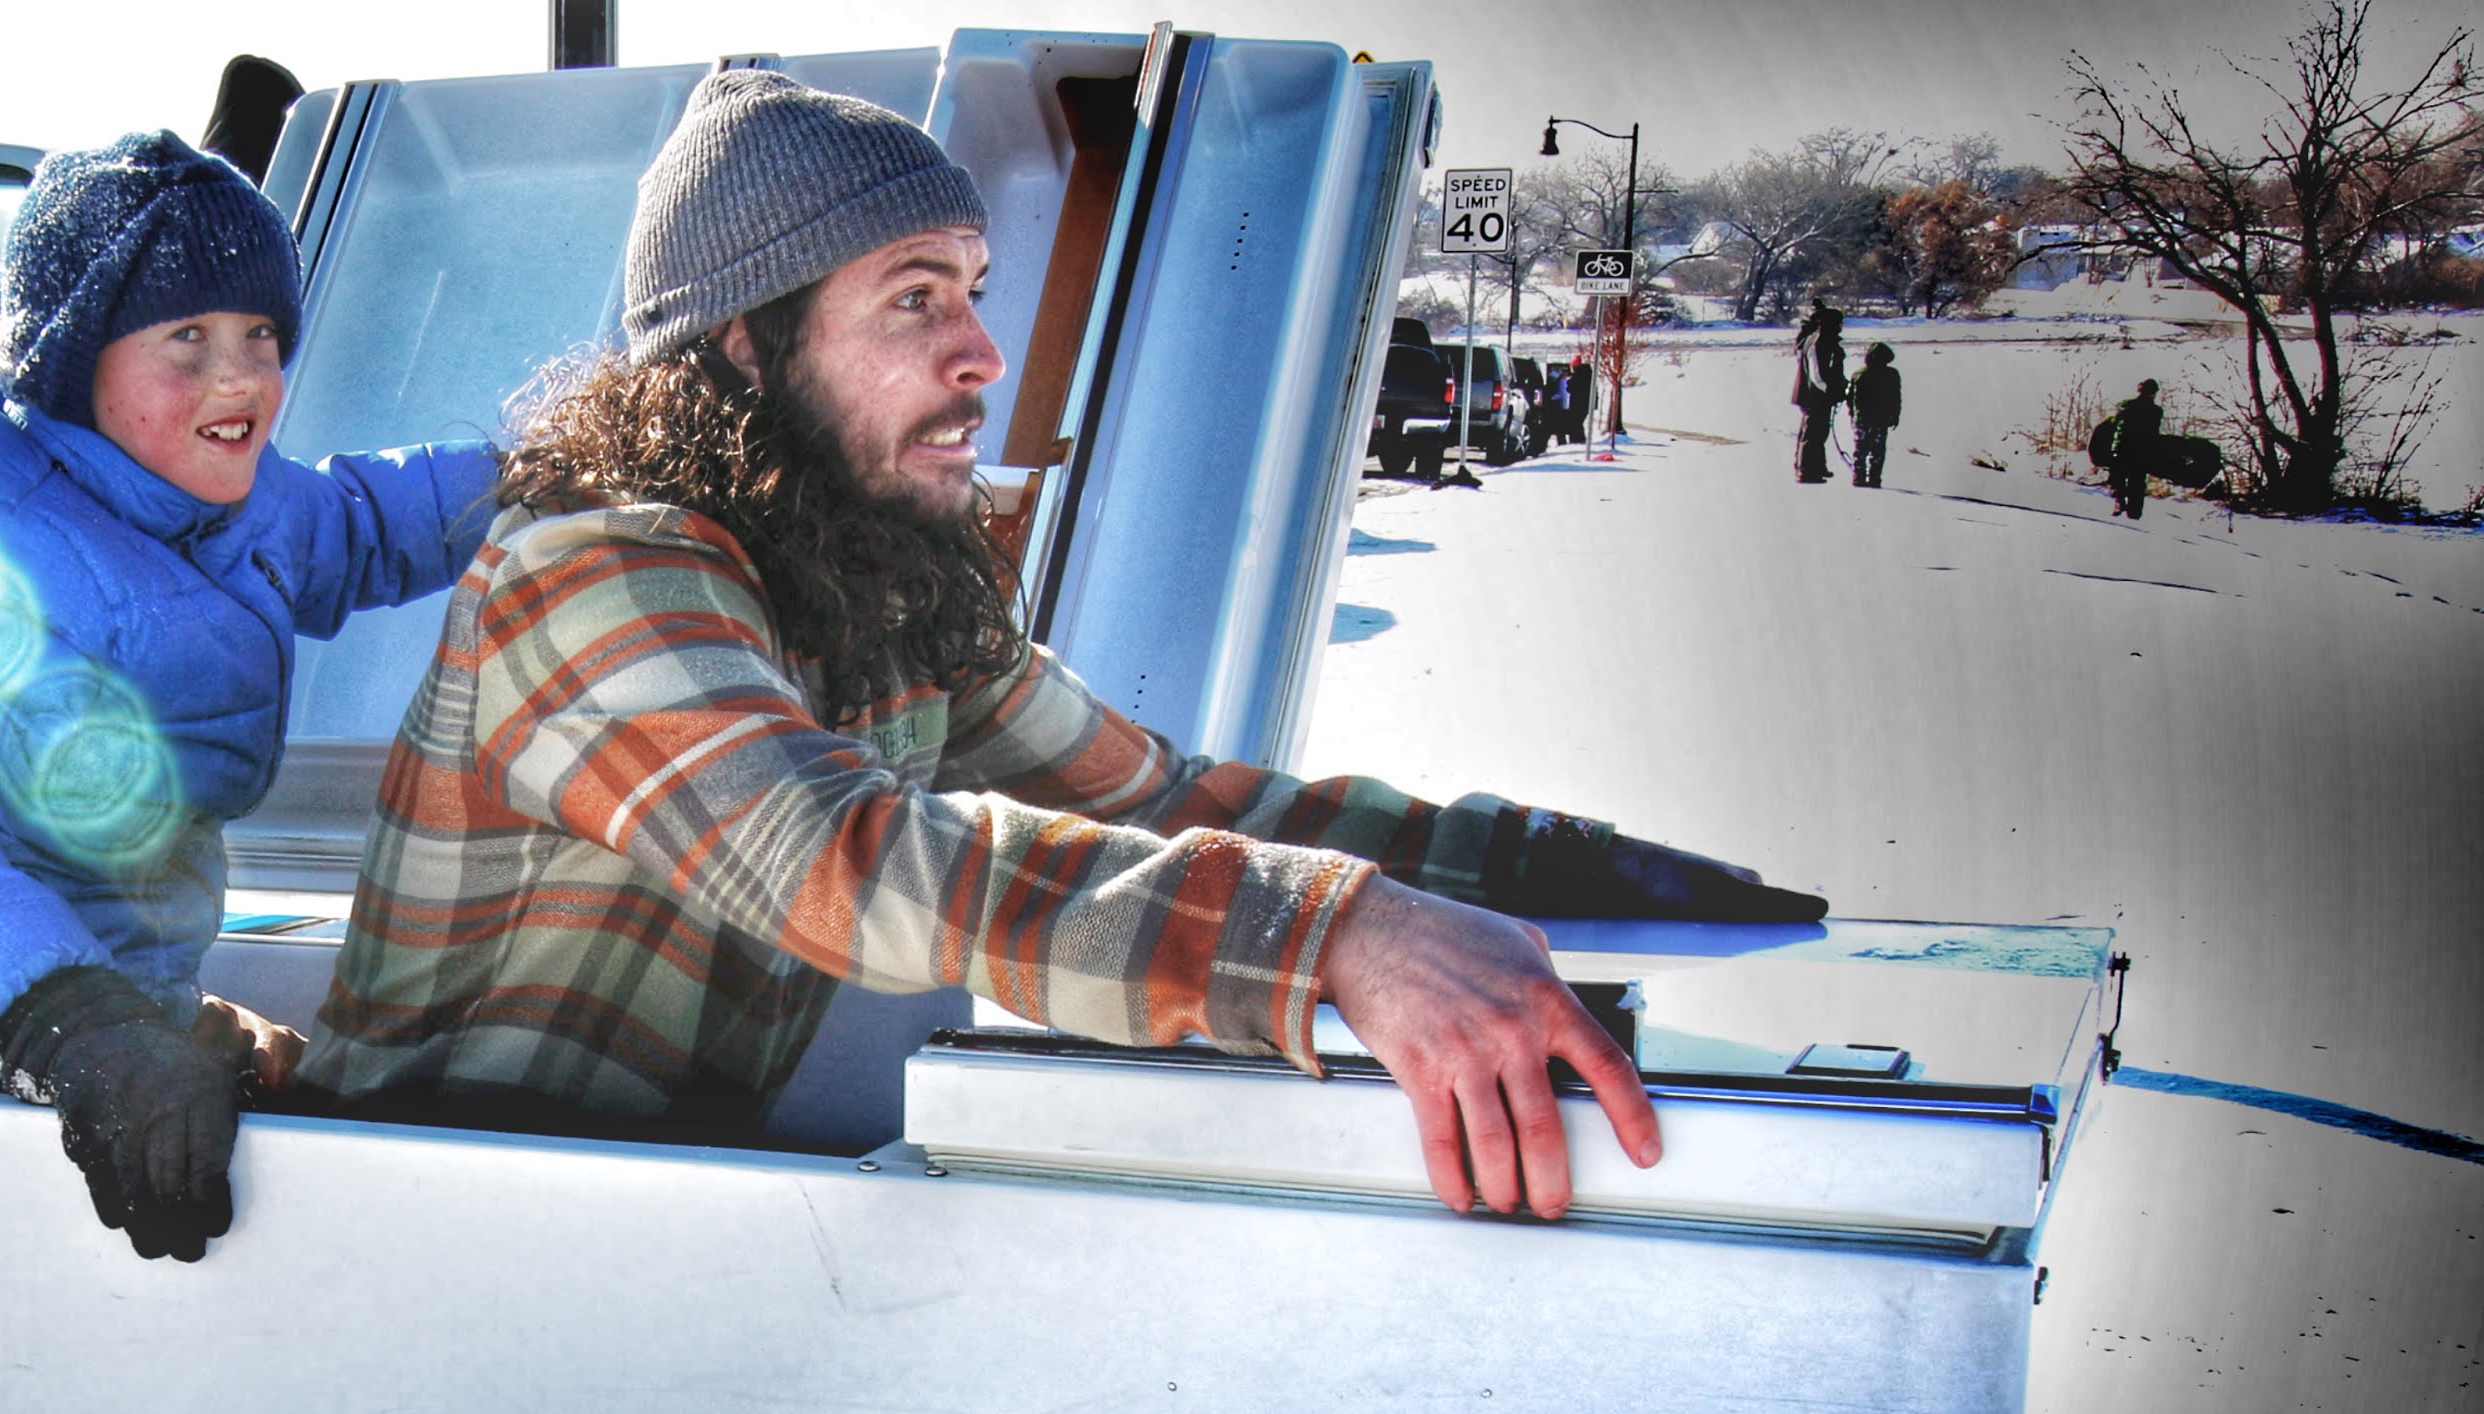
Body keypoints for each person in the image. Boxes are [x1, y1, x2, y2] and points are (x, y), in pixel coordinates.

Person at [300, 70, 1824, 1217]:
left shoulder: (867, 594)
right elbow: (845, 862)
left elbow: (1173, 804)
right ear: (744, 351)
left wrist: (1551, 863)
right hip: (414, 1242)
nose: (979, 352)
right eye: (912, 301)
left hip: (643, 1231)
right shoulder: (589, 571)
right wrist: (1332, 936)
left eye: (973, 290)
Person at [0, 131, 496, 1260]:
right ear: (72, 357)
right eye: (185, 338)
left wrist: (573, 463)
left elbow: (362, 523)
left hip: (101, 1019)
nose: (240, 375)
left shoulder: (212, 496)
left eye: (260, 334)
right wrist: (77, 1032)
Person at [1791, 300, 1846, 483]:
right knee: (1814, 433)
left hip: (1810, 394)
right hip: (1816, 396)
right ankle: (1807, 472)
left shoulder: (1813, 338)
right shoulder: (1820, 341)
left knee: (1815, 432)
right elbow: (1818, 373)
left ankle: (1813, 467)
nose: (1841, 327)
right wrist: (1830, 390)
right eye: (1839, 323)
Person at [2093, 378, 2163, 518]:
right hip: (2141, 453)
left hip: (2122, 449)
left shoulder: (2125, 406)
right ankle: (2134, 513)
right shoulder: (2156, 411)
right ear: (2152, 394)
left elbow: (2114, 425)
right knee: (2137, 482)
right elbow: (2153, 434)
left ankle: (2119, 501)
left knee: (2116, 479)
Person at [1848, 341, 1901, 488]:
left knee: (1860, 450)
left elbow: (1850, 397)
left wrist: (1852, 414)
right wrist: (1895, 415)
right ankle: (1874, 479)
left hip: (1862, 419)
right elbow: (1895, 398)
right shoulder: (1892, 374)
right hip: (1880, 420)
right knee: (1877, 452)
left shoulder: (1858, 374)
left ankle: (1858, 479)